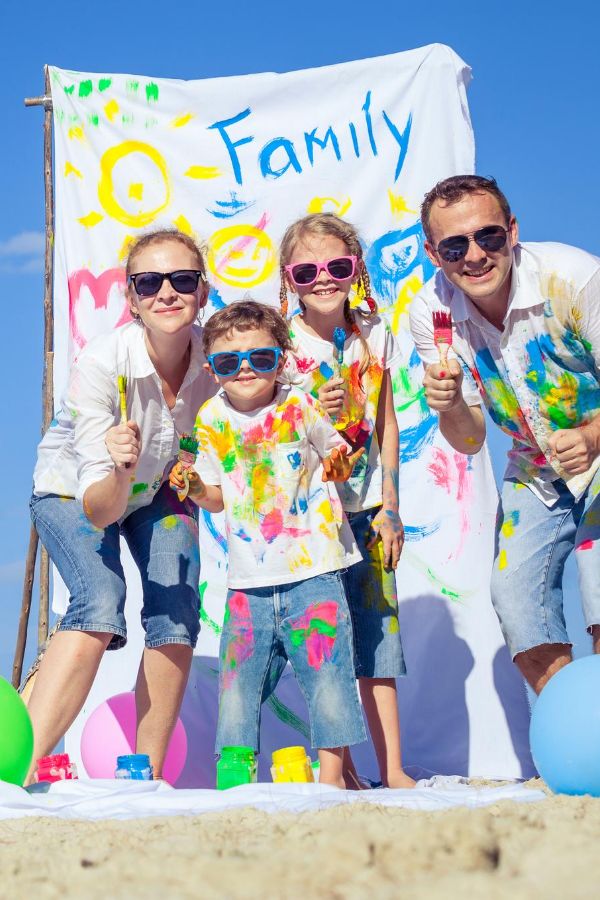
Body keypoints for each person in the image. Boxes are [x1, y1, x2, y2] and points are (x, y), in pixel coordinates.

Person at [27, 228, 216, 781]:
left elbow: (281, 378)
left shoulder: (218, 357)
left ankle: (146, 775)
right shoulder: (102, 364)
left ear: (202, 292)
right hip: (77, 492)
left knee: (177, 608)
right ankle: (23, 766)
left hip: (158, 488)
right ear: (131, 299)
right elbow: (99, 511)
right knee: (100, 599)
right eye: (148, 282)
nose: (167, 292)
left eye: (182, 279)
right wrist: (123, 467)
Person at [409, 174, 600, 694]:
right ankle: (577, 732)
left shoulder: (575, 277)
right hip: (535, 465)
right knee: (516, 600)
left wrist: (592, 435)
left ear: (512, 231)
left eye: (487, 236)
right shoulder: (432, 313)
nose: (474, 255)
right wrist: (449, 408)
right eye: (454, 245)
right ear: (433, 253)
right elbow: (469, 440)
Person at [169, 300, 367, 787]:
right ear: (212, 369)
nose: (244, 370)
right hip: (248, 582)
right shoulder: (211, 419)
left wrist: (341, 466)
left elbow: (337, 453)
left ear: (281, 359)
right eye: (228, 362)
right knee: (238, 685)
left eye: (259, 359)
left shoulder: (299, 404)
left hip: (315, 568)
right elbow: (214, 499)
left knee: (327, 673)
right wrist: (194, 488)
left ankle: (333, 777)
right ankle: (234, 778)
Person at [279, 213, 415, 789]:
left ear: (356, 269)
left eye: (338, 266)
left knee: (378, 637)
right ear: (289, 280)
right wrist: (314, 405)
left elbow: (386, 420)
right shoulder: (280, 348)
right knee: (327, 643)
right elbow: (271, 434)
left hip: (365, 507)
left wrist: (390, 503)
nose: (324, 279)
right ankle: (341, 768)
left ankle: (394, 769)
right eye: (308, 270)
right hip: (313, 515)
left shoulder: (375, 336)